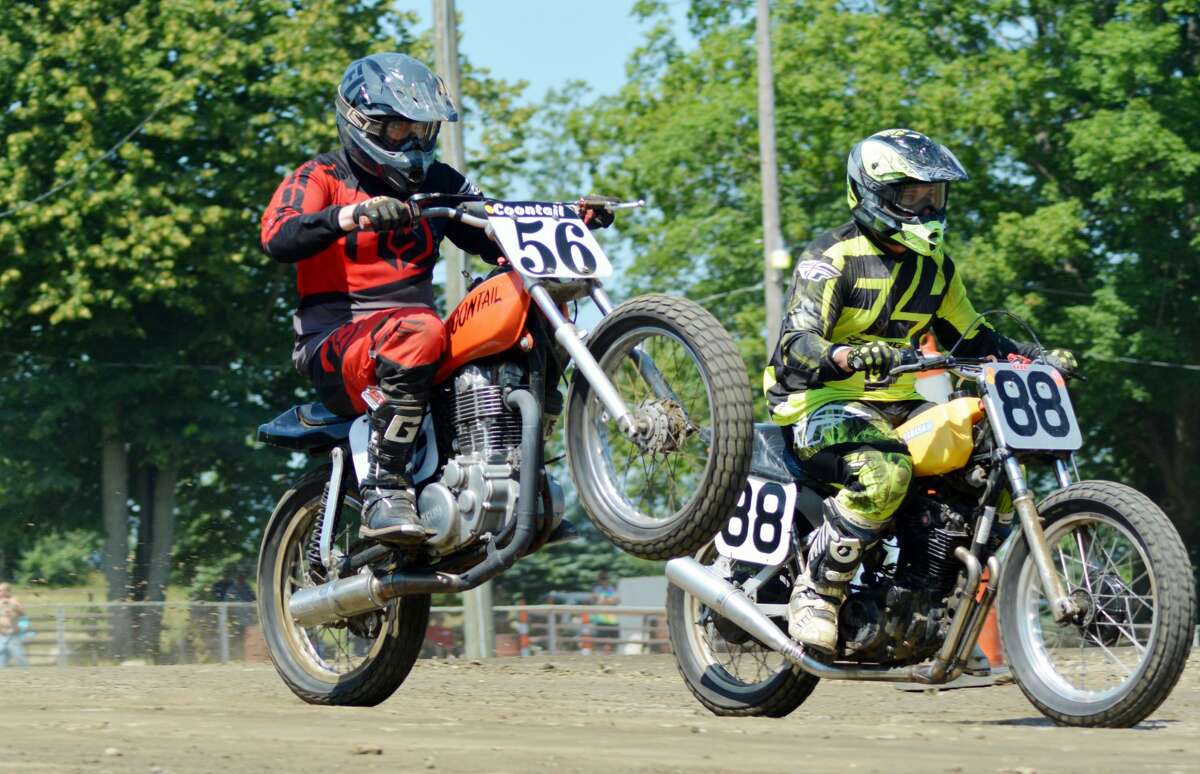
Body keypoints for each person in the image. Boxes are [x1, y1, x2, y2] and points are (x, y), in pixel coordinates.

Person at [262, 53, 610, 546]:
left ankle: (517, 471)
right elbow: (278, 234)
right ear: (364, 124)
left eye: (421, 131)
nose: (412, 143)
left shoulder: (442, 182)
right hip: (336, 345)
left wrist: (568, 220)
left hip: (416, 338)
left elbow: (496, 233)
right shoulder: (321, 176)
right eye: (399, 130)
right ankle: (385, 487)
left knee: (525, 303)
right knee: (419, 329)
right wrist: (349, 218)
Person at [764, 128, 1077, 654]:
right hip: (821, 405)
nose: (929, 207)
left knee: (989, 459)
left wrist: (1034, 359)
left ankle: (934, 597)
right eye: (914, 195)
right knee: (885, 472)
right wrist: (846, 354)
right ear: (874, 193)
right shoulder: (832, 257)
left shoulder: (937, 268)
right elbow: (795, 344)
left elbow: (975, 337)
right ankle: (818, 591)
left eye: (935, 196)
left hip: (903, 407)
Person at [0, 583, 28, 668]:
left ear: (7, 591)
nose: (0, 592)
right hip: (2, 633)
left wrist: (13, 606)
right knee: (1, 654)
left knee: (18, 654)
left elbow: (23, 613)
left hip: (12, 632)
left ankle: (26, 671)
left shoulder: (14, 601)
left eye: (1, 590)